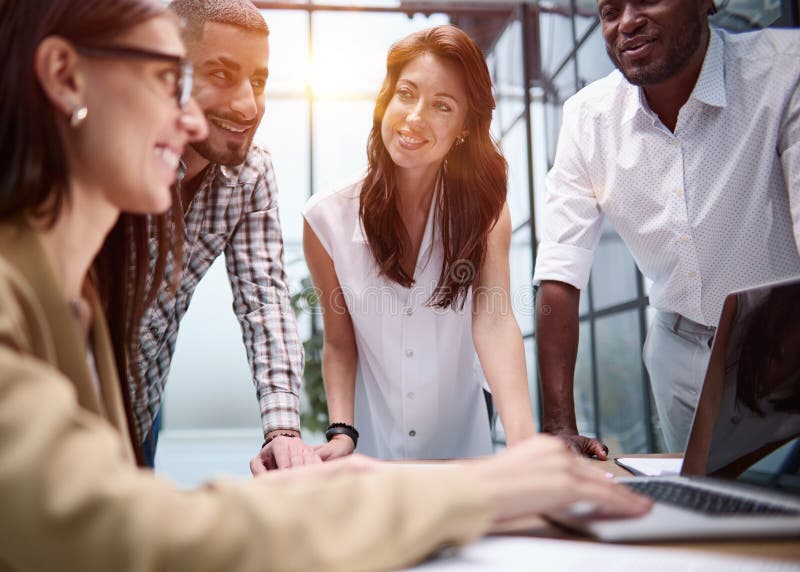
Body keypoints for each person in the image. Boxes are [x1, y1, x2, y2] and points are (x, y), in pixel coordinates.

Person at [0, 1, 652, 570]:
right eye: (173, 79)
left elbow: (267, 308)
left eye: (256, 81)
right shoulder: (24, 303)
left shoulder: (71, 296)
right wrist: (459, 489)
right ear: (64, 77)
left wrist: (516, 449)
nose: (201, 119)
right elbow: (127, 535)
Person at [533, 0, 800, 455]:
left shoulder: (784, 68)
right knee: (703, 512)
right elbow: (560, 272)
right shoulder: (586, 118)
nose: (628, 22)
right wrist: (559, 427)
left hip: (785, 339)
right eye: (610, 10)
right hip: (678, 354)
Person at [303, 25, 536, 461]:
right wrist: (341, 432)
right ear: (386, 101)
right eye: (406, 94)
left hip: (465, 449)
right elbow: (339, 341)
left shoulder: (485, 212)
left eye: (441, 105)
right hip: (372, 455)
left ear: (465, 127)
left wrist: (525, 445)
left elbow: (495, 321)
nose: (415, 117)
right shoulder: (325, 219)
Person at [131, 0, 317, 473]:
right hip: (63, 401)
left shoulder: (252, 174)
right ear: (172, 74)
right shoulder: (123, 152)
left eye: (258, 81)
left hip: (140, 410)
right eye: (221, 74)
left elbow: (265, 301)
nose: (247, 105)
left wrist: (283, 431)